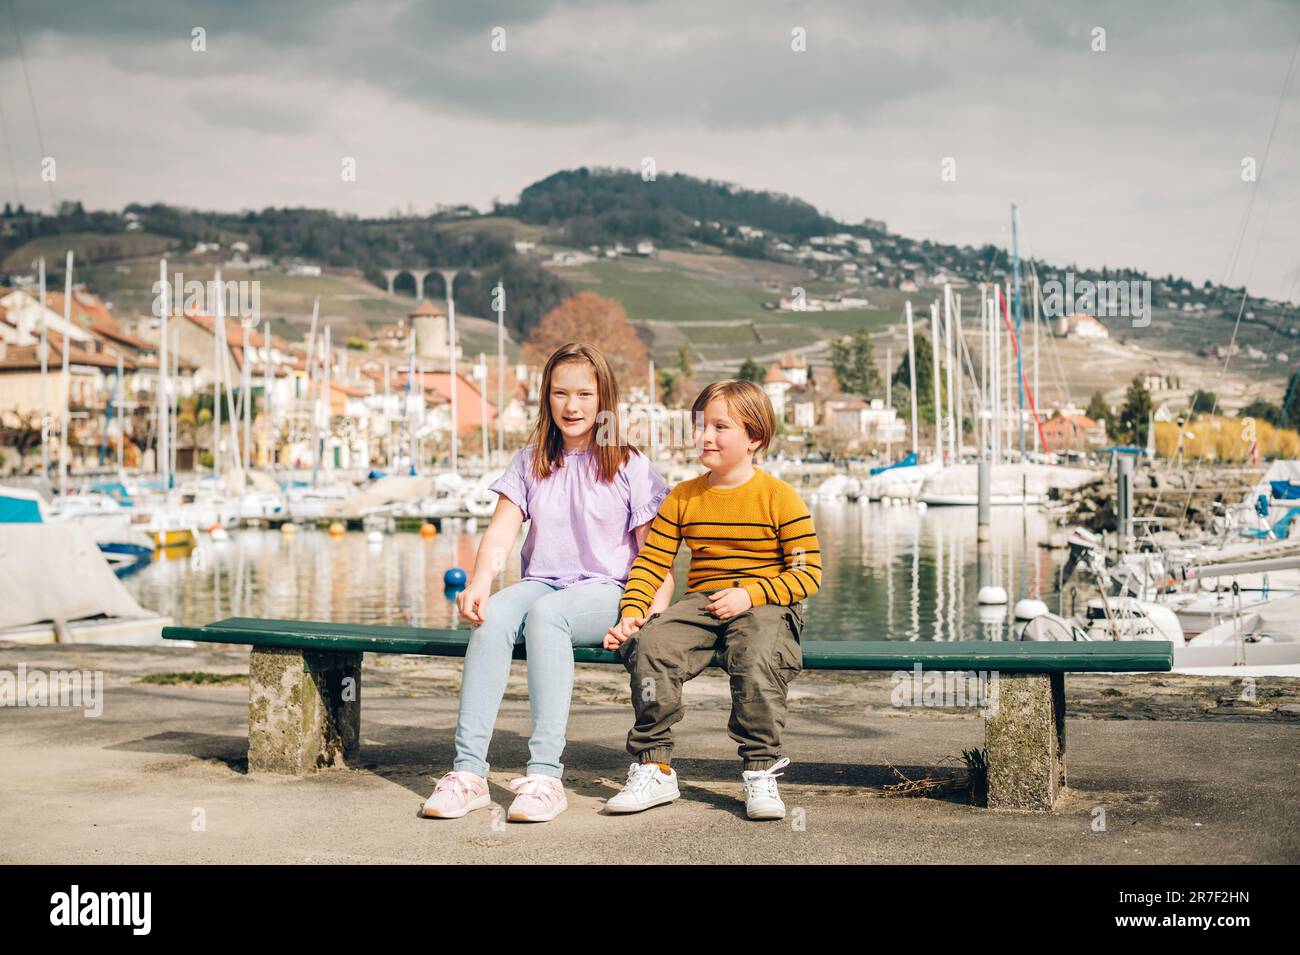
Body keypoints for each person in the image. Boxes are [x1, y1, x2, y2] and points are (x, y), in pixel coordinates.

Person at [421, 343, 671, 823]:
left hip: (611, 591)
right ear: (546, 397)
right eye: (560, 393)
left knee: (547, 616)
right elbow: (501, 531)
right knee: (494, 615)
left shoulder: (631, 465)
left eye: (584, 394)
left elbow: (656, 556)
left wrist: (648, 616)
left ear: (604, 400)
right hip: (544, 583)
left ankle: (544, 777)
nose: (571, 406)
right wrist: (480, 581)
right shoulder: (531, 460)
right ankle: (468, 773)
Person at [603, 379, 821, 820]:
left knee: (757, 656)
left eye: (720, 427)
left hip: (765, 604)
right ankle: (655, 767)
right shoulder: (683, 497)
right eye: (701, 425)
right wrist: (632, 613)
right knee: (650, 646)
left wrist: (750, 594)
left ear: (754, 437)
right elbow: (651, 565)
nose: (705, 436)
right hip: (703, 602)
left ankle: (759, 769)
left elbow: (806, 573)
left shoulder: (780, 497)